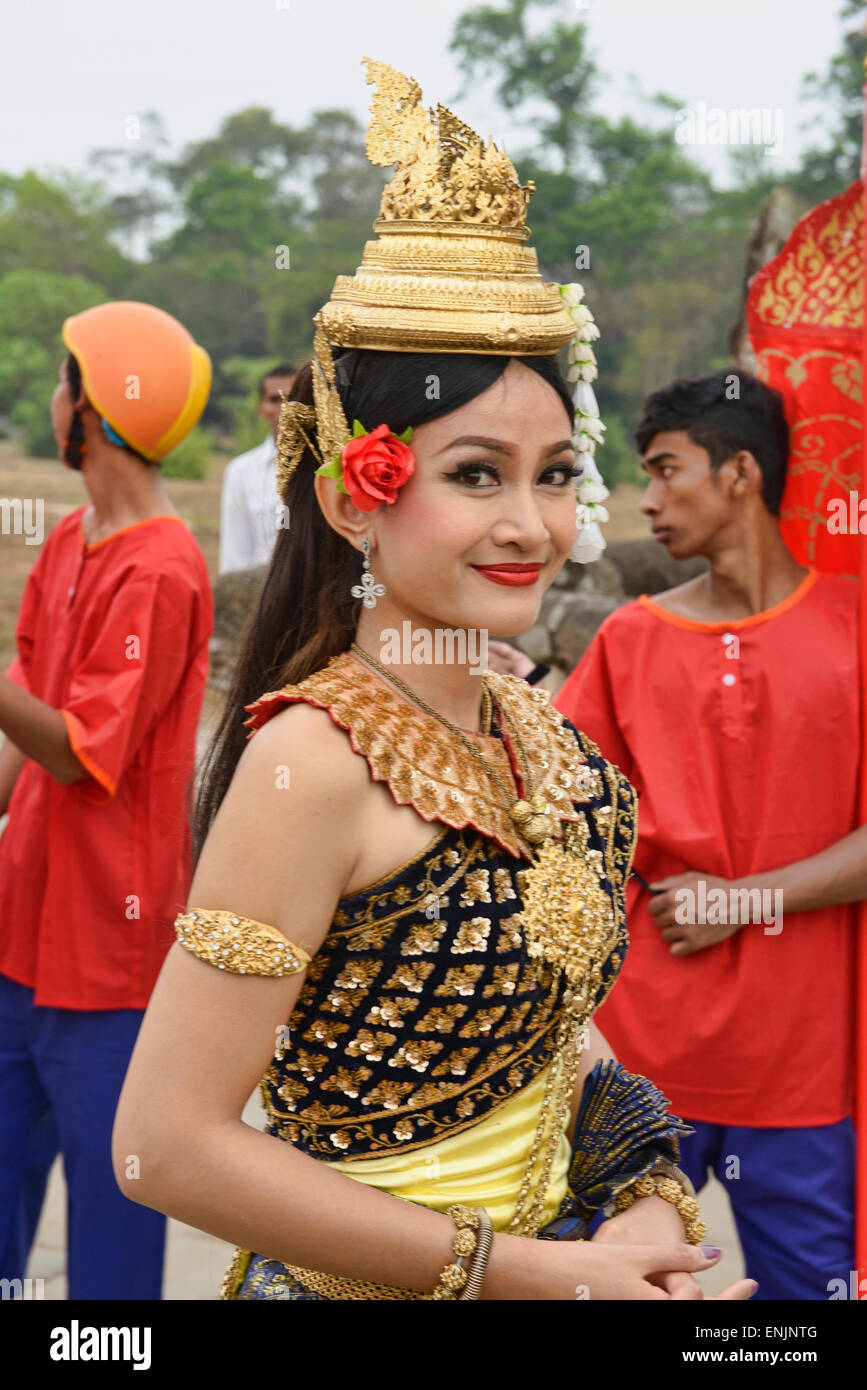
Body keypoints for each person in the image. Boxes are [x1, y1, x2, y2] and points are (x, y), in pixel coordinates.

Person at [113, 61, 755, 1302]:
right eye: (476, 474)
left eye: (557, 471)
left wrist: (637, 1204)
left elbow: (549, 1022)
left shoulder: (529, 726)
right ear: (363, 494)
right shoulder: (312, 761)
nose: (533, 522)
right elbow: (165, 1144)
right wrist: (525, 1274)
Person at [552, 369, 860, 1300]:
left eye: (664, 470)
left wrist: (745, 898)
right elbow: (568, 824)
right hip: (643, 1053)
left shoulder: (852, 626)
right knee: (605, 1283)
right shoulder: (629, 640)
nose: (644, 498)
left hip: (804, 1061)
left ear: (739, 475)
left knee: (804, 1310)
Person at [0, 301, 214, 1299]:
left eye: (65, 380)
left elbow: (87, 752)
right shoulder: (75, 537)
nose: (53, 400)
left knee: (110, 1201)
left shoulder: (162, 567)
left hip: (106, 942)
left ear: (94, 414)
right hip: (20, 925)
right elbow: (27, 706)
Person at [219, 363, 298, 574]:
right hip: (260, 594)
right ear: (261, 409)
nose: (284, 408)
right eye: (275, 399)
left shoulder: (326, 468)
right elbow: (235, 553)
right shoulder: (241, 471)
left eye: (292, 398)